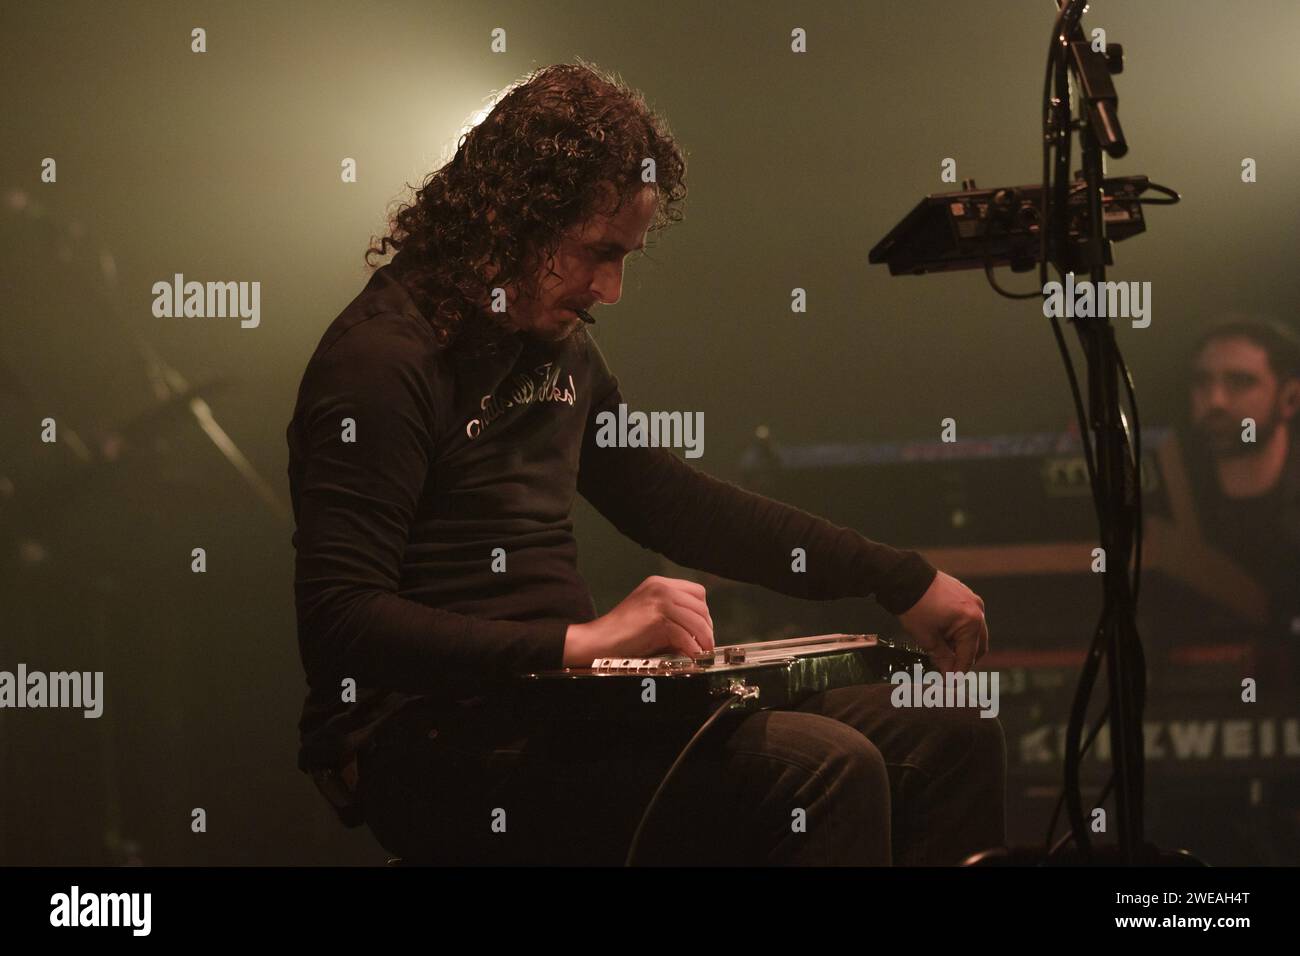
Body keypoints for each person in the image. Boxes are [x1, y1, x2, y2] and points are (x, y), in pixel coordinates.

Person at [286, 62, 1004, 865]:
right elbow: (342, 623)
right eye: (598, 251)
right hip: (421, 737)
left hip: (551, 706)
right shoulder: (382, 361)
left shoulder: (553, 343)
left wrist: (897, 577)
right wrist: (582, 644)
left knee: (948, 732)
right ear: (512, 217)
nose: (613, 288)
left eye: (624, 255)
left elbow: (674, 504)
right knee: (823, 771)